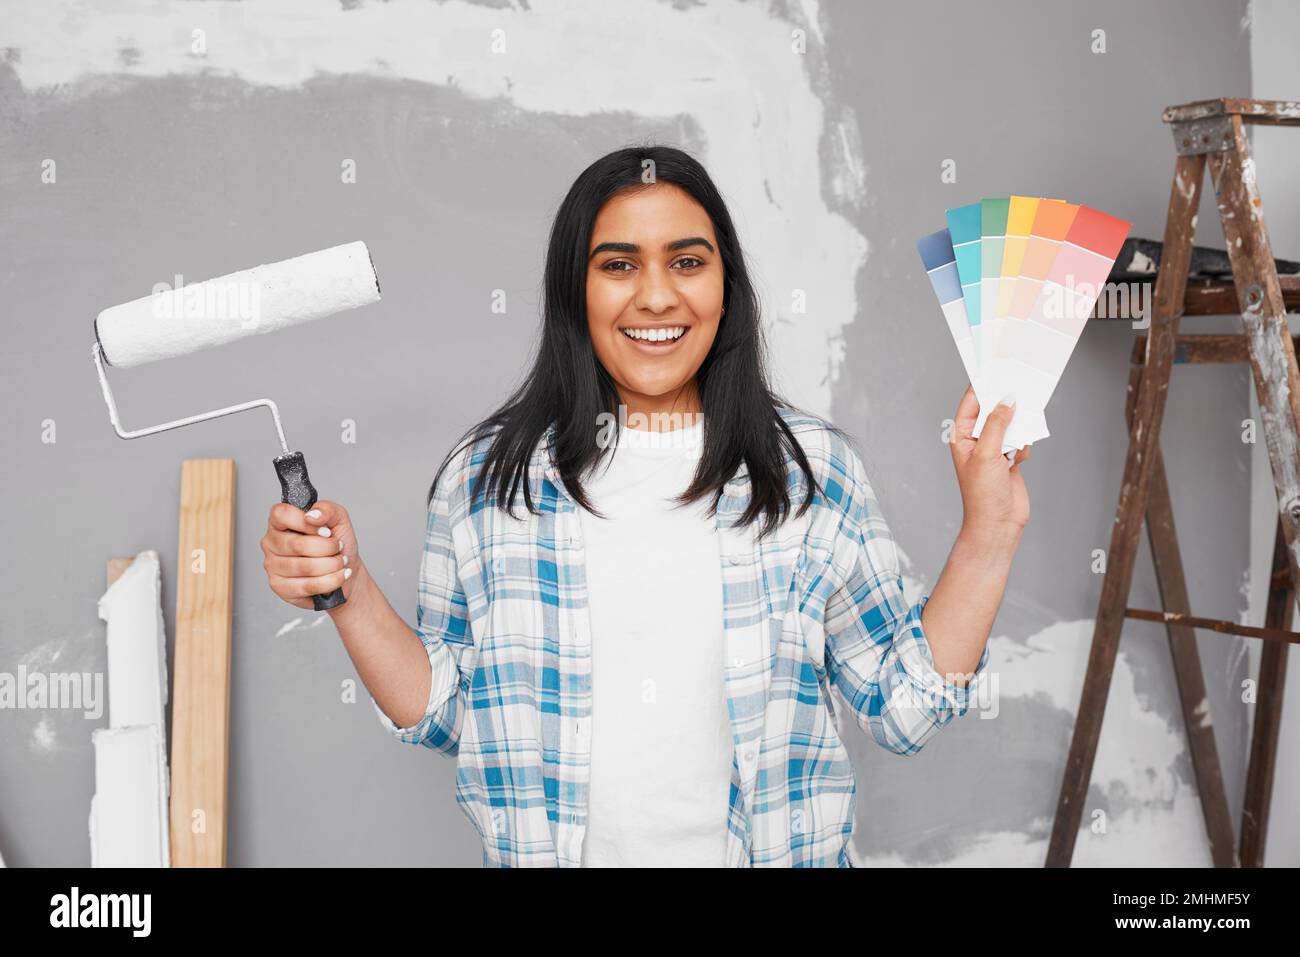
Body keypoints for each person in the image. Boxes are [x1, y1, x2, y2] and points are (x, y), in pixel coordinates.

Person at [260, 145, 1029, 867]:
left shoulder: (811, 470)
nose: (657, 294)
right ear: (576, 291)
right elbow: (448, 712)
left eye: (687, 262)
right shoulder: (486, 479)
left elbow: (904, 708)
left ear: (726, 286)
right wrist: (349, 587)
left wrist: (988, 535)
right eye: (618, 264)